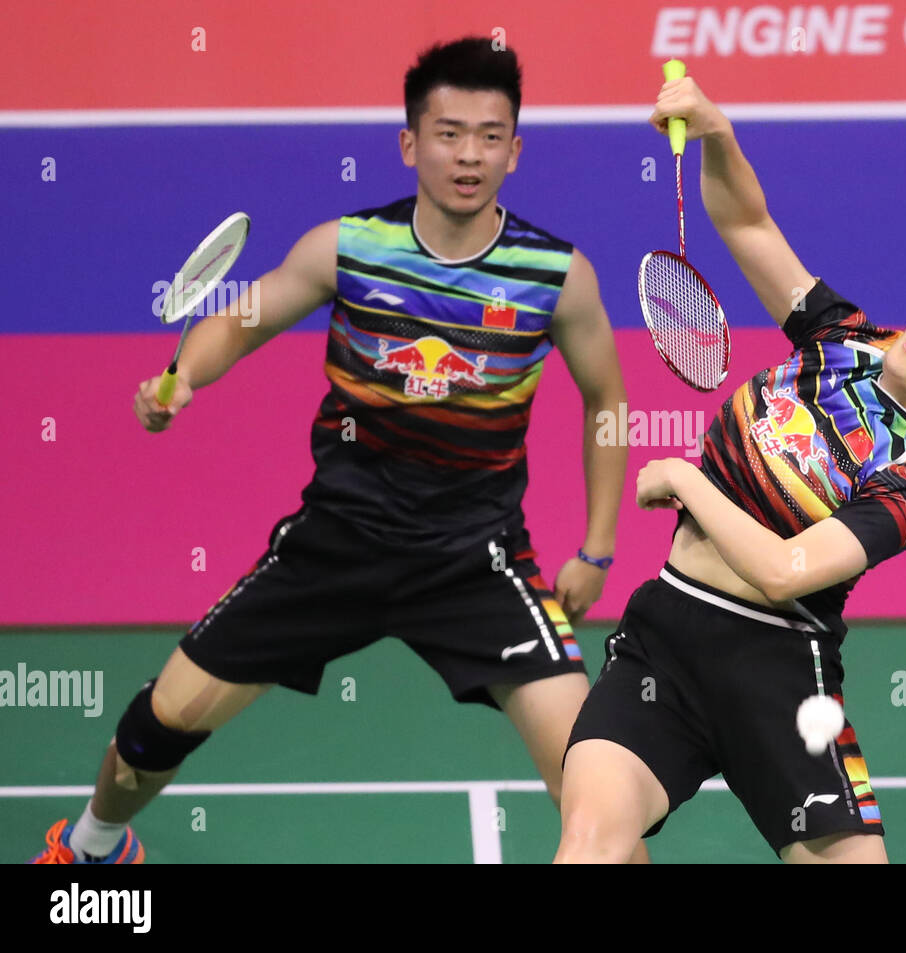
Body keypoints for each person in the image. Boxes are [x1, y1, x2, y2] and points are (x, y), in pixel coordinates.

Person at [31, 36, 644, 864]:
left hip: (477, 556)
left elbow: (606, 400)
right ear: (409, 143)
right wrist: (183, 378)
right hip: (336, 541)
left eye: (490, 136)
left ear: (515, 150)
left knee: (597, 788)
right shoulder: (348, 247)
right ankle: (95, 843)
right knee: (163, 718)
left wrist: (598, 547)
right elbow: (246, 317)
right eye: (449, 132)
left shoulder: (555, 275)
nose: (469, 155)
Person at [554, 74, 906, 864]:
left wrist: (686, 478)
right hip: (664, 639)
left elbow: (783, 572)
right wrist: (717, 129)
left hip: (783, 672)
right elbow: (745, 220)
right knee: (591, 843)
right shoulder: (839, 337)